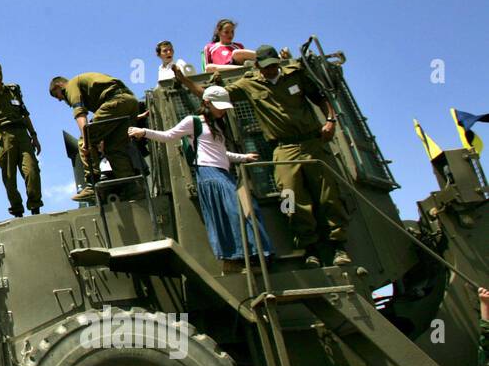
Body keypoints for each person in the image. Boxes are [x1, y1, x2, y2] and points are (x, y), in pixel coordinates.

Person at [225, 44, 351, 267]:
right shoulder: (248, 84)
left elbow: (320, 97)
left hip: (312, 143)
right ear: (257, 66)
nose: (270, 70)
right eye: (265, 67)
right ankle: (309, 248)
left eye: (274, 65)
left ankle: (338, 246)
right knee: (289, 198)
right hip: (284, 149)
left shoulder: (296, 75)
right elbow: (217, 96)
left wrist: (330, 120)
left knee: (328, 195)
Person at [134, 68, 272, 271]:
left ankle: (249, 257)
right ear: (206, 103)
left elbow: (221, 153)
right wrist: (143, 131)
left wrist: (244, 157)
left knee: (247, 208)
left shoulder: (217, 124)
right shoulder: (193, 121)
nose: (223, 110)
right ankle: (244, 257)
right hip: (209, 174)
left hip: (223, 173)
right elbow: (169, 136)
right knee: (236, 210)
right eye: (219, 106)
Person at [49, 72, 141, 202]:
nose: (59, 99)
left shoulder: (70, 86)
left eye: (56, 95)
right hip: (130, 102)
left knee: (85, 138)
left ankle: (92, 186)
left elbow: (80, 114)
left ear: (59, 86)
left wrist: (86, 141)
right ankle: (133, 189)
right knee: (114, 148)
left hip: (116, 101)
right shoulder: (86, 84)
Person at [0, 60, 42, 218]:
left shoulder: (14, 90)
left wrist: (34, 135)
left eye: (0, 73)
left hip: (22, 135)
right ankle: (18, 211)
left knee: (32, 171)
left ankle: (35, 209)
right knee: (9, 178)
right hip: (3, 138)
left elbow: (24, 113)